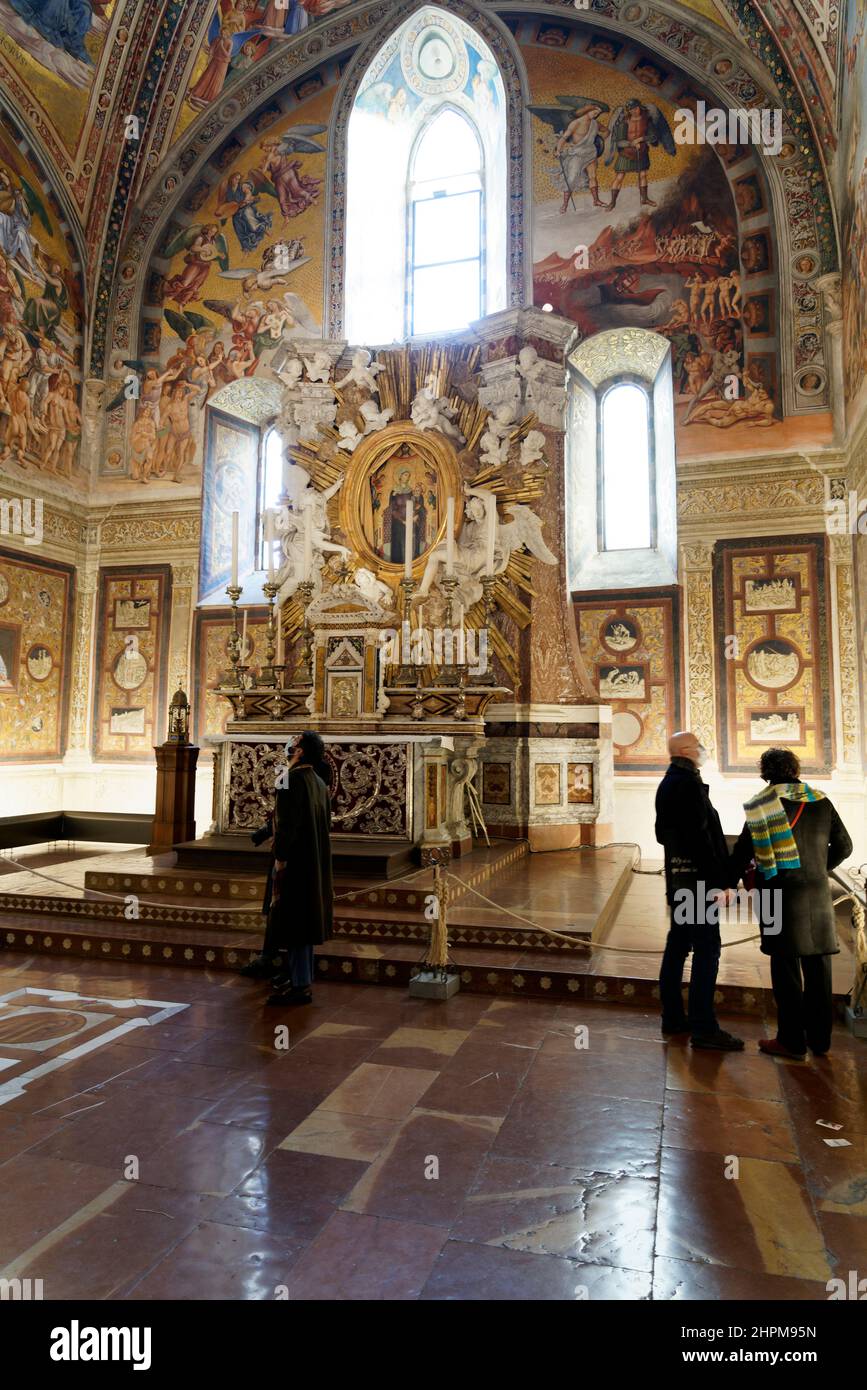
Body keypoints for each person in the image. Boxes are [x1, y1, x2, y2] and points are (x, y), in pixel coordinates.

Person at [730, 748, 852, 1059]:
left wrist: (723, 883)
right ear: (795, 769)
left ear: (765, 771)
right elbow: (845, 846)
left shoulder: (763, 804)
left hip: (778, 895)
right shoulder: (820, 799)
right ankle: (820, 1040)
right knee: (819, 970)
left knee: (786, 972)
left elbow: (744, 851)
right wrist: (817, 868)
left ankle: (791, 1041)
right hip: (817, 895)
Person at [655, 730, 744, 1050]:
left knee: (678, 944)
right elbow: (700, 839)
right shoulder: (688, 784)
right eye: (698, 746)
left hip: (681, 881)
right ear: (686, 750)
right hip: (697, 885)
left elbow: (662, 835)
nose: (703, 750)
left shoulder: (668, 783)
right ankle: (704, 1027)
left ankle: (674, 1017)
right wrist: (720, 881)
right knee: (707, 950)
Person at [240, 732, 333, 1005]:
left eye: (292, 742)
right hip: (312, 860)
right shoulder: (318, 781)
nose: (287, 746)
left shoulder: (291, 780)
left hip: (294, 861)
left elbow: (287, 825)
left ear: (299, 751)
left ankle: (300, 985)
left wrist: (280, 857)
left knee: (295, 922)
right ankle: (295, 976)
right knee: (302, 919)